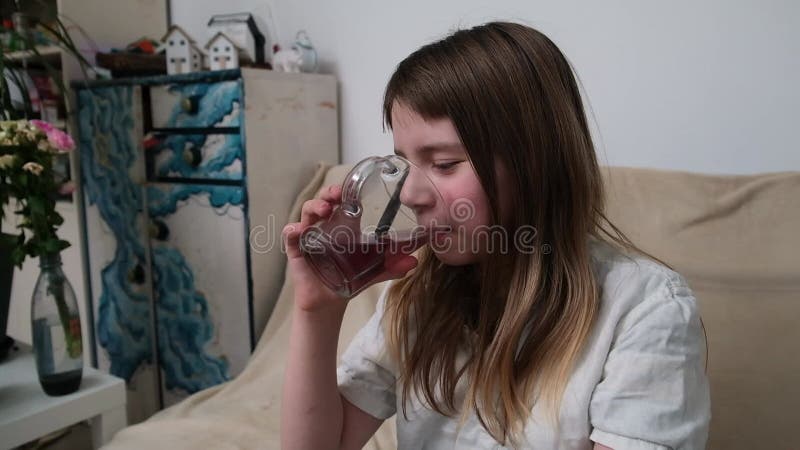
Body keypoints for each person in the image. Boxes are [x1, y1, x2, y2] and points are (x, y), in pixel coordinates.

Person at [281, 21, 710, 450]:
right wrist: (316, 310)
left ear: (535, 165)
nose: (410, 194)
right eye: (404, 163)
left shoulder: (645, 309)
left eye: (445, 164)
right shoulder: (414, 299)